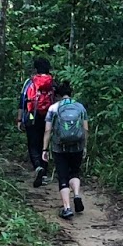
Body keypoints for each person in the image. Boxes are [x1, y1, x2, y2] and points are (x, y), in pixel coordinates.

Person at [42, 79, 89, 220]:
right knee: (74, 172)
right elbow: (85, 129)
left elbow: (47, 131)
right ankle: (76, 195)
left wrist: (44, 149)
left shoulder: (53, 108)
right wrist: (84, 145)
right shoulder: (80, 107)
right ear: (70, 93)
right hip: (77, 146)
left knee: (63, 176)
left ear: (57, 95)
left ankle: (67, 208)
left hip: (59, 147)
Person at [19, 57, 54, 185]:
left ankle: (38, 166)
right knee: (44, 143)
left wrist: (20, 119)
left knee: (33, 142)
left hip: (32, 115)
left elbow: (22, 100)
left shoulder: (30, 82)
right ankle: (44, 173)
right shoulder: (52, 82)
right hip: (47, 117)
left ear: (35, 68)